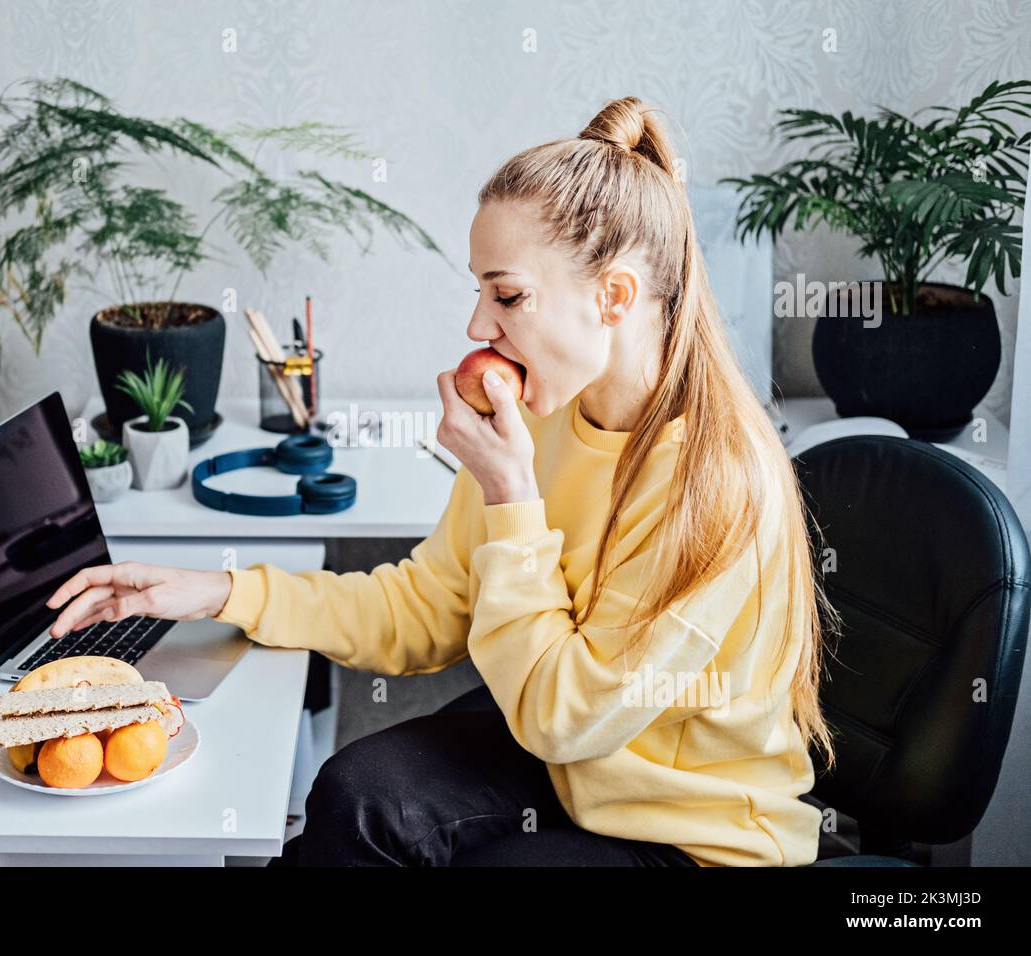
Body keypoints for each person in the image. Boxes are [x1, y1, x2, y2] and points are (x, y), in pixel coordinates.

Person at [45, 96, 836, 867]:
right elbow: (427, 606)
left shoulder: (715, 479)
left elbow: (562, 716)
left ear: (614, 296)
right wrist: (218, 593)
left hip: (692, 836)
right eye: (480, 290)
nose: (478, 327)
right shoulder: (549, 413)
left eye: (509, 295)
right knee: (354, 794)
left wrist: (512, 497)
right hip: (573, 770)